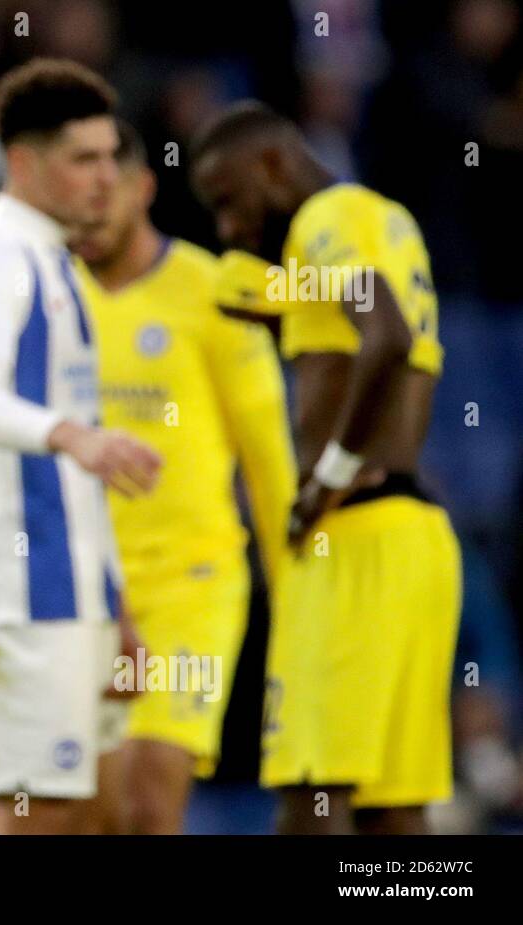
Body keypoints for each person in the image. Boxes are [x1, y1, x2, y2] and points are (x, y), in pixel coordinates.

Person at [0, 123, 295, 834]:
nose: (88, 221)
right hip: (65, 579)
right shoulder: (42, 291)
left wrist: (299, 604)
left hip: (187, 588)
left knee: (146, 800)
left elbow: (270, 466)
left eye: (104, 202)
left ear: (142, 189)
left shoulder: (216, 295)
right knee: (61, 807)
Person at [190, 101, 460, 834]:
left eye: (230, 202)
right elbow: (352, 327)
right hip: (414, 537)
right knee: (393, 815)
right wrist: (259, 297)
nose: (230, 227)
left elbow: (386, 338)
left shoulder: (327, 215)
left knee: (310, 800)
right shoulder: (380, 221)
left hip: (352, 535)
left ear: (273, 165)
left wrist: (327, 478)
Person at [0, 59, 160, 836]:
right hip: (14, 587)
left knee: (107, 809)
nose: (105, 178)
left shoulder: (56, 262)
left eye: (111, 157)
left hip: (72, 587)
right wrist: (73, 435)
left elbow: (73, 470)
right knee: (38, 812)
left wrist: (114, 602)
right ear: (24, 163)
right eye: (83, 159)